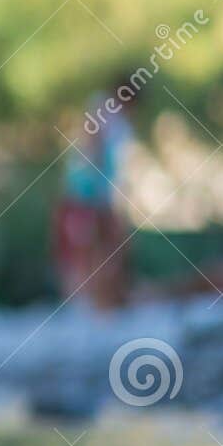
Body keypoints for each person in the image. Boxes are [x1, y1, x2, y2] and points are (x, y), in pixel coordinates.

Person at [53, 87, 134, 307]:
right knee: (83, 248)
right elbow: (94, 147)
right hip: (86, 196)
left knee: (103, 247)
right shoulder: (106, 109)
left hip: (95, 196)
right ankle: (82, 301)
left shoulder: (118, 120)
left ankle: (99, 300)